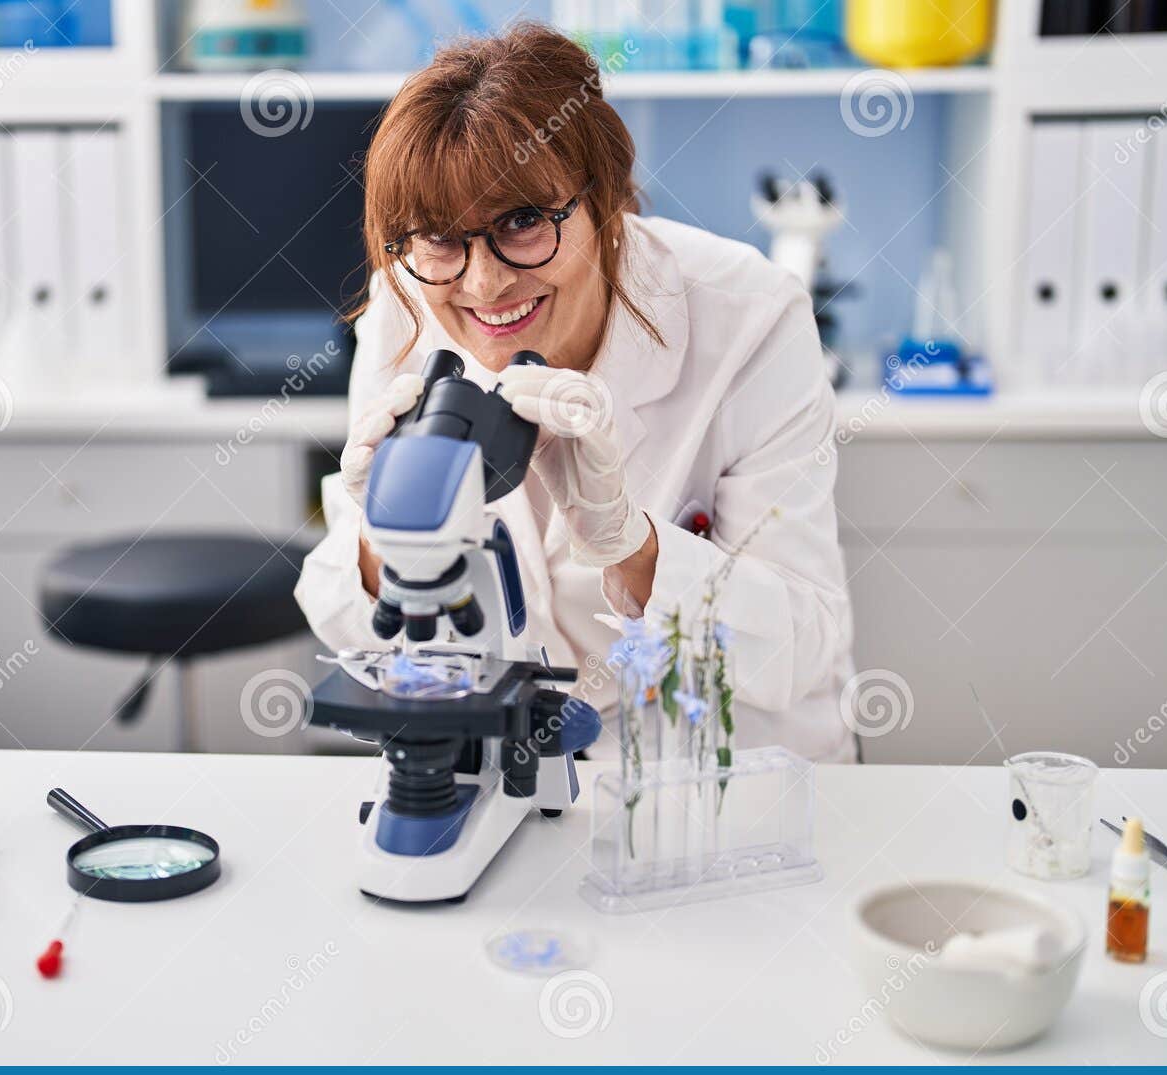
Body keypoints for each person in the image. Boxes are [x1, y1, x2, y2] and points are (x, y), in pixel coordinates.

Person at [295, 23, 855, 762]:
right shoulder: (408, 299)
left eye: (524, 222)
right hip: (513, 769)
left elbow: (800, 645)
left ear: (609, 200)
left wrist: (630, 543)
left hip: (715, 779)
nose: (484, 283)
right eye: (438, 237)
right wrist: (386, 538)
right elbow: (342, 615)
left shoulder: (751, 314)